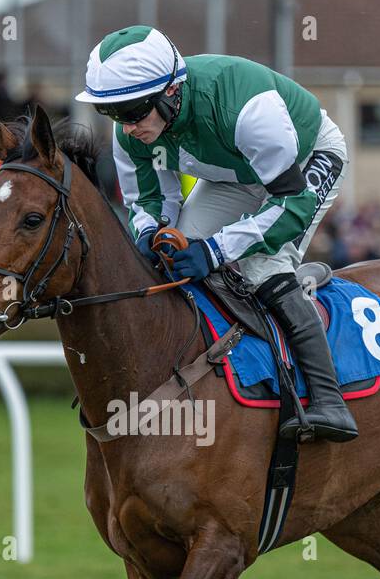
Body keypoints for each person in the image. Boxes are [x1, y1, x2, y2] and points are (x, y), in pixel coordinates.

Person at [77, 25, 358, 442]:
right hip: (232, 174)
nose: (125, 125)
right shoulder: (132, 130)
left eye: (133, 110)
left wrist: (213, 251)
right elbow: (149, 201)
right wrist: (152, 235)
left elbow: (290, 206)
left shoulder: (248, 110)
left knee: (262, 266)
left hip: (302, 164)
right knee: (176, 259)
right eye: (111, 112)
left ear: (171, 91)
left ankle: (329, 399)